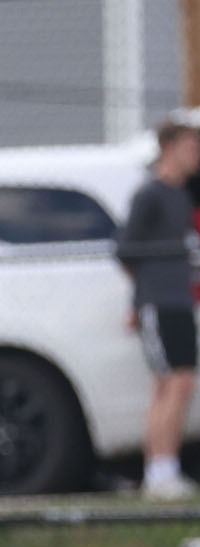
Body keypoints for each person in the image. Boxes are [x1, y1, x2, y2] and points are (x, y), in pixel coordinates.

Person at [118, 119, 200, 499]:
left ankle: (163, 469)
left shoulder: (184, 195)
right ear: (169, 147)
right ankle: (160, 472)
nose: (196, 154)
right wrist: (143, 296)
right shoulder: (149, 195)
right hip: (160, 302)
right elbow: (126, 250)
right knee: (175, 384)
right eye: (190, 146)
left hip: (181, 300)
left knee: (171, 385)